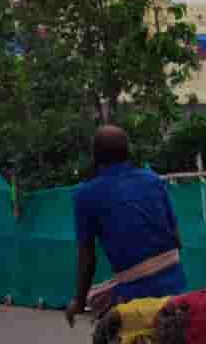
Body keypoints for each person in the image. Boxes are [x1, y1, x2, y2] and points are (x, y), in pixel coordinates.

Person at [66, 125, 187, 328]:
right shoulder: (153, 180)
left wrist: (79, 302)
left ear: (95, 158)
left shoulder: (85, 195)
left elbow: (87, 257)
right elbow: (177, 240)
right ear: (128, 152)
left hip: (134, 298)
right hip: (176, 289)